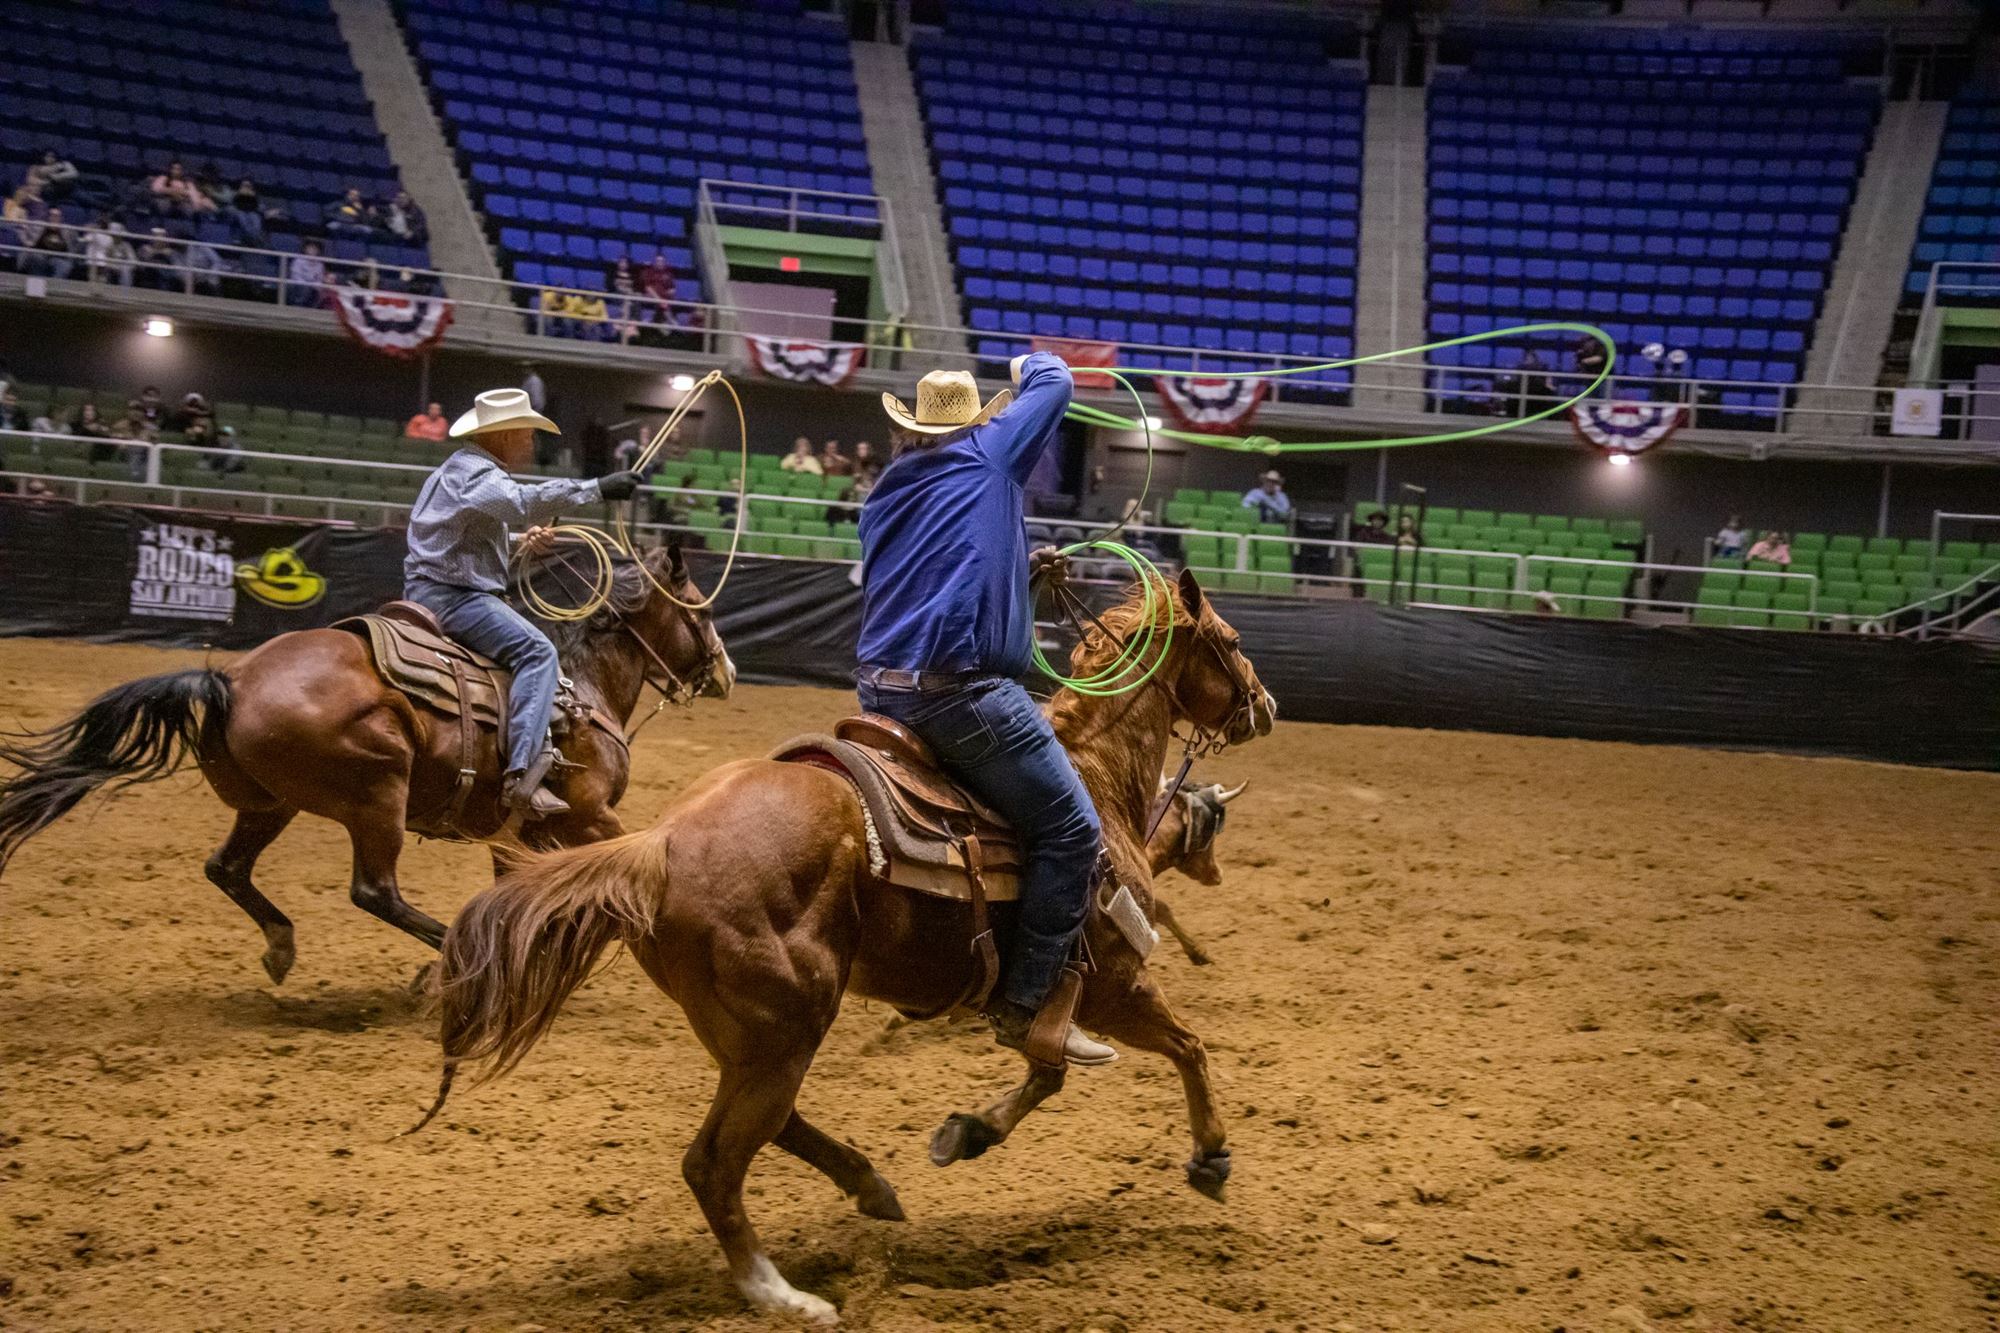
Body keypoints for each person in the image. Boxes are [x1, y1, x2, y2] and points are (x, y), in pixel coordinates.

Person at [855, 355, 1115, 1067]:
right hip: (958, 696)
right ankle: (1028, 1002)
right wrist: (1025, 363)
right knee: (1072, 828)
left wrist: (1018, 575)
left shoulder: (887, 491)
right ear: (976, 422)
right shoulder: (987, 454)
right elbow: (1057, 381)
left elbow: (932, 579)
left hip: (879, 692)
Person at [403, 389, 641, 819]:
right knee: (538, 651)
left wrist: (518, 542)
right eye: (527, 434)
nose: (532, 443)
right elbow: (519, 503)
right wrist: (597, 489)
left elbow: (461, 536)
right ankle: (524, 774)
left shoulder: (459, 471)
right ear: (505, 435)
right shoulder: (476, 474)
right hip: (454, 598)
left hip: (435, 590)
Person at [22, 206, 75, 279]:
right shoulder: (38, 226)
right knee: (37, 258)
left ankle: (53, 285)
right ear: (47, 217)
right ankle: (38, 284)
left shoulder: (67, 230)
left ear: (61, 218)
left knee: (65, 265)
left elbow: (73, 246)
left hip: (57, 258)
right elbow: (26, 237)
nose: (54, 218)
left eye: (57, 216)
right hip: (40, 254)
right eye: (52, 215)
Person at [286, 239, 327, 306]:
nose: (312, 250)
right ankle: (297, 306)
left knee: (318, 291)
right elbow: (295, 277)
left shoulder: (320, 265)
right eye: (310, 248)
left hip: (312, 289)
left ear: (318, 251)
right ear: (305, 249)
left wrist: (314, 286)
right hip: (297, 287)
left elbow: (319, 280)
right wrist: (307, 285)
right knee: (304, 289)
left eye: (315, 249)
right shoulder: (298, 261)